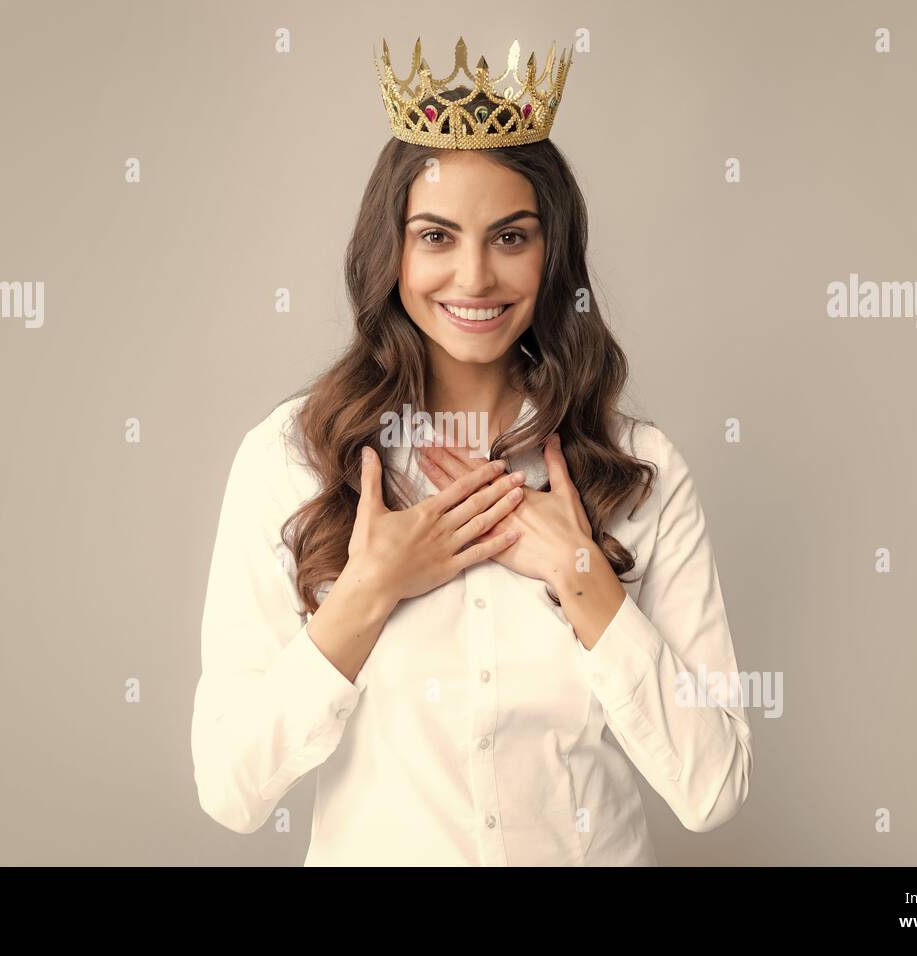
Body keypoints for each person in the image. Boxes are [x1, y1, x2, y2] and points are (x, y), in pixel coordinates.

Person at [190, 36, 753, 865]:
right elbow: (230, 789)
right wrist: (369, 591)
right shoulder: (292, 459)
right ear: (393, 251)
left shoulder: (640, 469)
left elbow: (715, 788)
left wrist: (582, 579)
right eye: (437, 236)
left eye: (512, 237)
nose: (476, 277)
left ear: (553, 253)